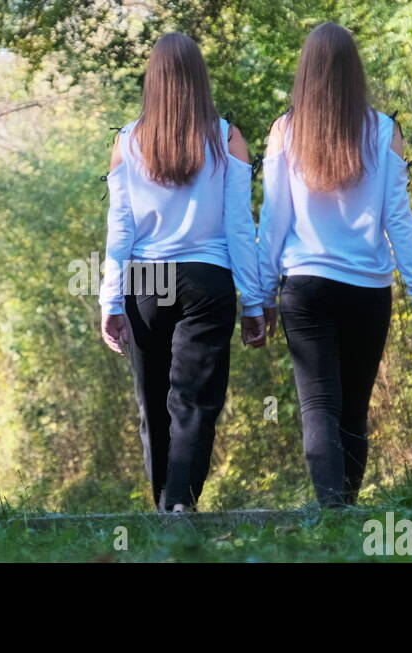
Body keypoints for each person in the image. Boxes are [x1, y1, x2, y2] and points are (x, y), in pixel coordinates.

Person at [258, 22, 412, 508]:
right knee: (354, 409)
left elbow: (273, 221)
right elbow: (399, 220)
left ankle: (333, 512)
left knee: (319, 406)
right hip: (367, 289)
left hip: (306, 286)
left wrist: (257, 295)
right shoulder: (385, 131)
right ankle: (346, 513)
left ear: (306, 72)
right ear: (355, 71)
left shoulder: (285, 131)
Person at [99, 32, 267, 513]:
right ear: (199, 78)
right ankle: (179, 507)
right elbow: (240, 226)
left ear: (151, 80)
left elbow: (121, 232)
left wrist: (110, 301)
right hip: (207, 277)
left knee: (153, 405)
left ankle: (165, 509)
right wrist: (253, 299)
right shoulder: (227, 137)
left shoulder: (127, 141)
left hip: (147, 279)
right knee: (194, 402)